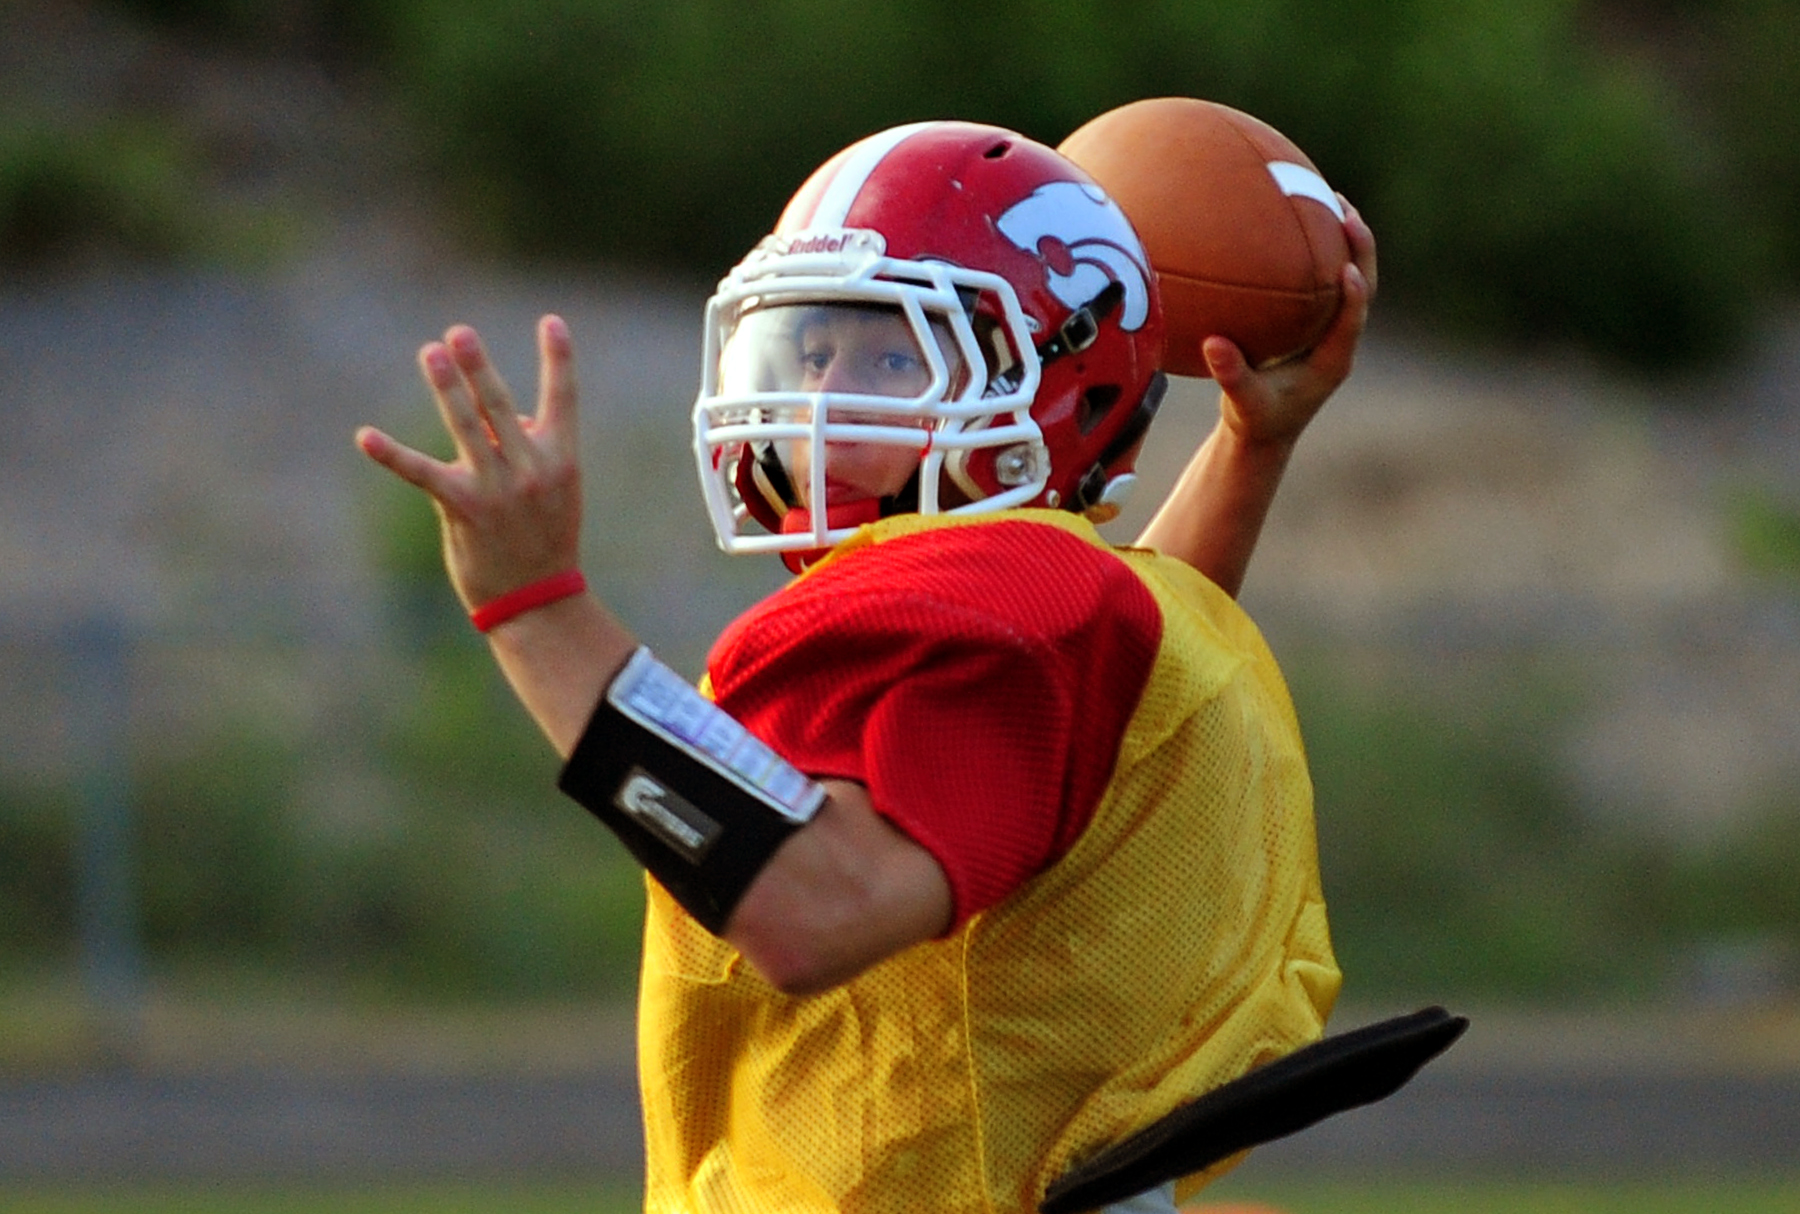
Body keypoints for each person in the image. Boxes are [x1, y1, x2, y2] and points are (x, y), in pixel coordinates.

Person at [356, 119, 1376, 1214]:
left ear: (1057, 387)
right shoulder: (1085, 606)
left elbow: (816, 904)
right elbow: (1092, 688)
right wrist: (1249, 445)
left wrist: (538, 610)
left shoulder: (1013, 601)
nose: (824, 397)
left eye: (891, 354)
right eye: (810, 349)